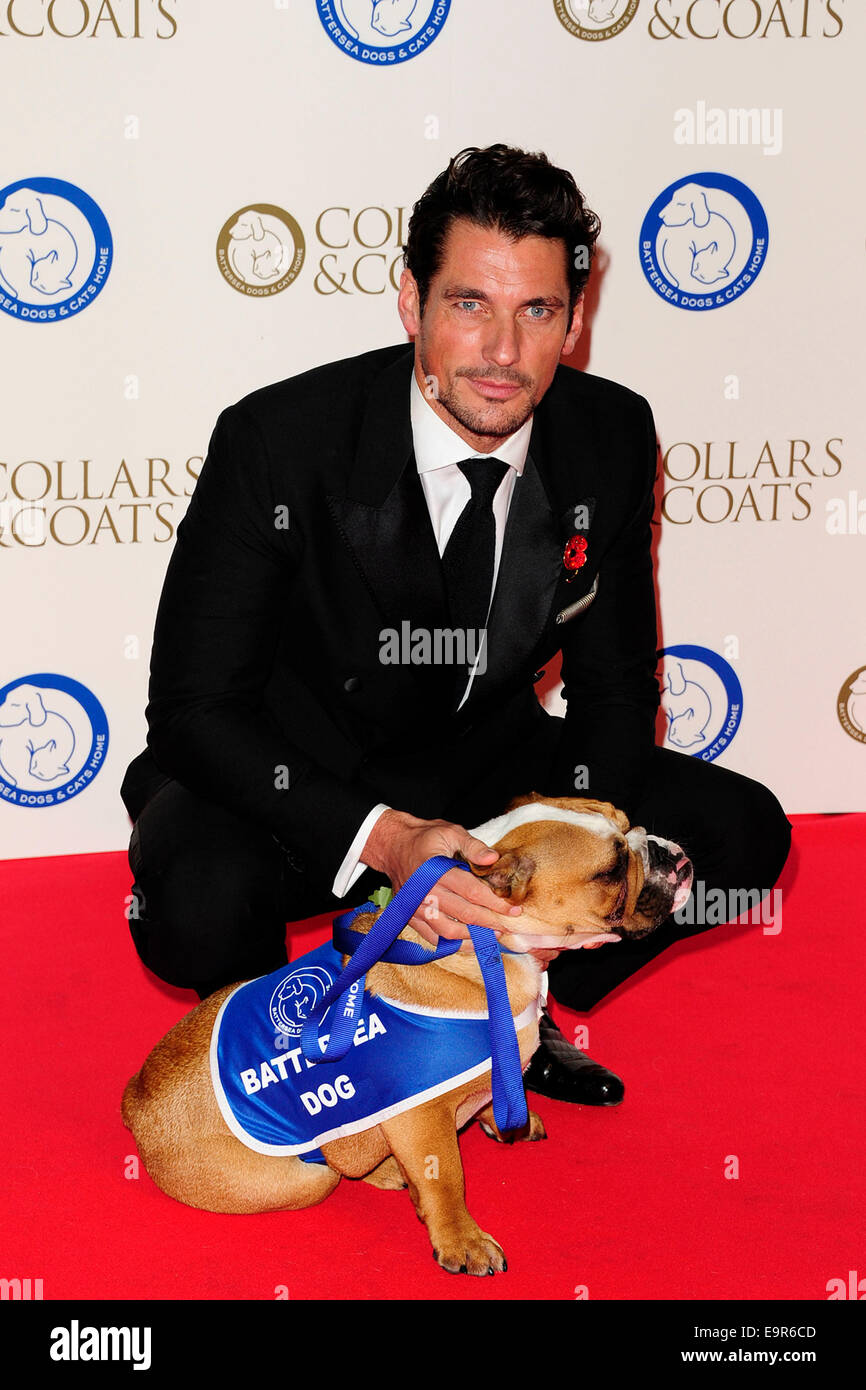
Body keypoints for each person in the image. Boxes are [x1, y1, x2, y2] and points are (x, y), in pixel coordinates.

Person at [120, 144, 791, 1106]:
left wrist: (569, 850)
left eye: (538, 312)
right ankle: (301, 1049)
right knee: (195, 893)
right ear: (411, 303)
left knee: (741, 833)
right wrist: (387, 840)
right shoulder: (281, 440)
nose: (503, 354)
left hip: (485, 764)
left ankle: (515, 996)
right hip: (296, 775)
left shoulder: (608, 432)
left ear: (576, 317)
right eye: (470, 305)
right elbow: (191, 708)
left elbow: (612, 687)